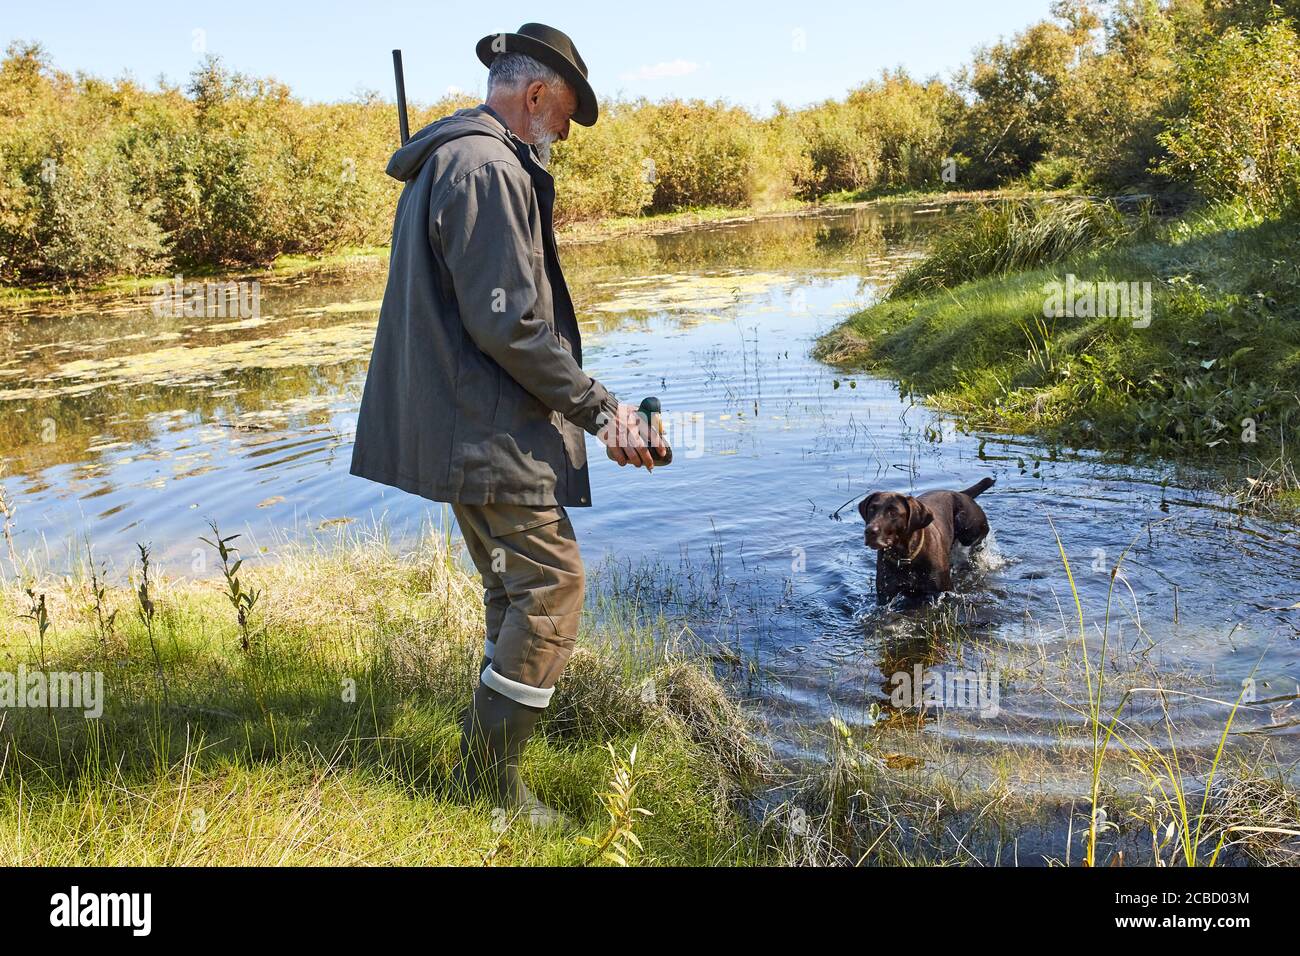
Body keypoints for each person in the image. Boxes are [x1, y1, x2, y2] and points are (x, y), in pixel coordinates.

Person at [350, 22, 659, 827]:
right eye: (563, 116)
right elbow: (511, 326)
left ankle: (482, 772)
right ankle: (493, 792)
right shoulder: (488, 166)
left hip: (470, 425)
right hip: (489, 435)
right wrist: (602, 411)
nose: (562, 133)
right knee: (553, 588)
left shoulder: (452, 157)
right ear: (534, 96)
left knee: (512, 591)